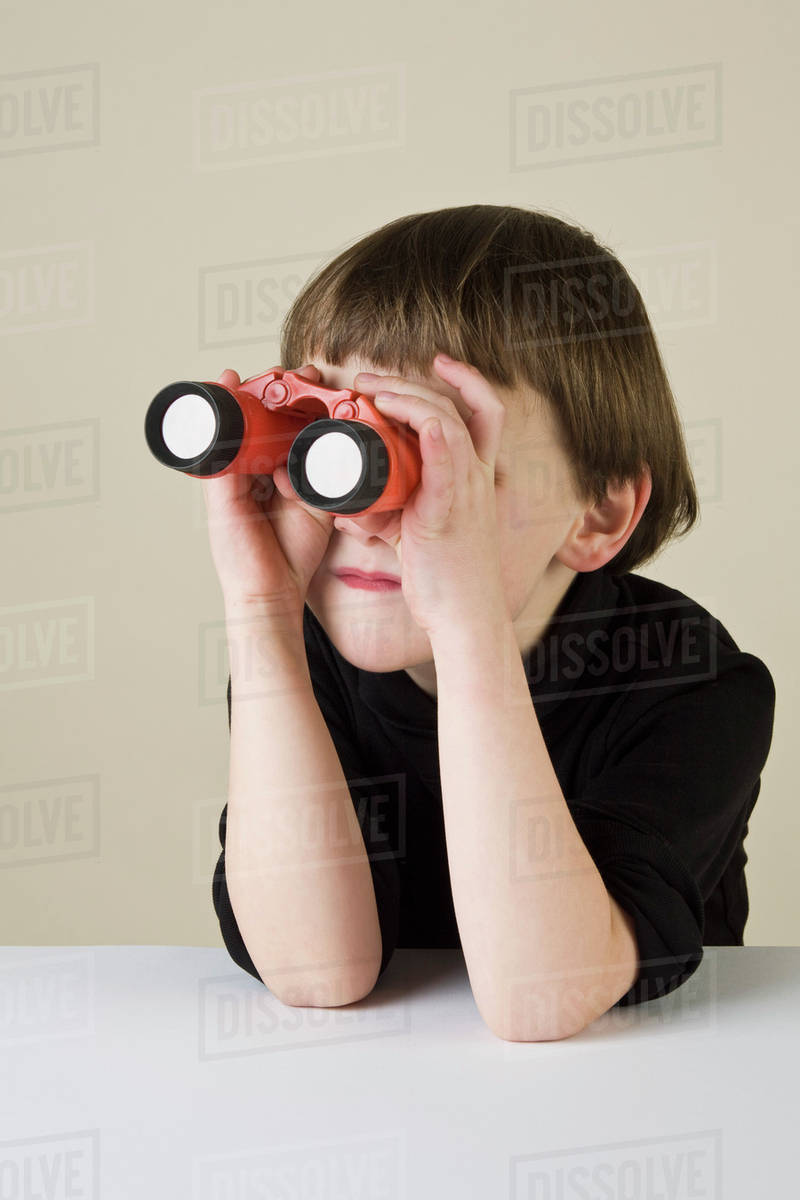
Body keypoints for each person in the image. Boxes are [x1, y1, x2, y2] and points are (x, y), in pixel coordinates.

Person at [203, 205, 776, 1042]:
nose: (364, 517)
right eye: (333, 446)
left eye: (430, 461)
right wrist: (259, 612)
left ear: (599, 513)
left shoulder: (691, 681)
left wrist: (464, 620)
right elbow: (316, 973)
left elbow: (542, 997)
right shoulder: (308, 660)